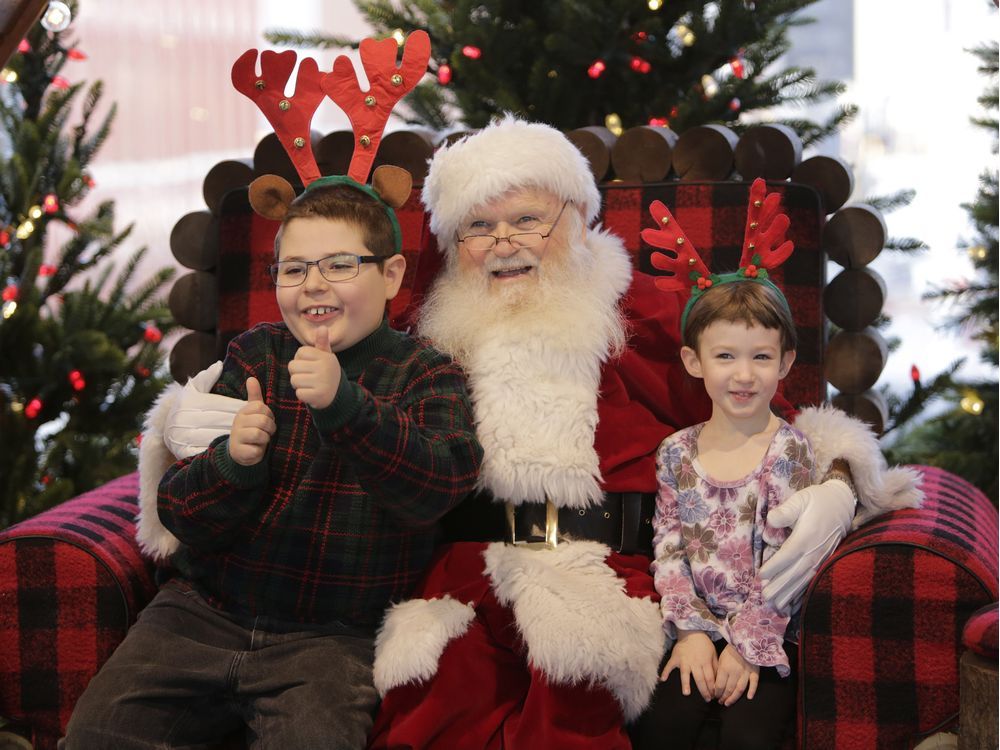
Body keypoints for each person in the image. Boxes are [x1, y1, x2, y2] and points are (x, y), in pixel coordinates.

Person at [152, 116, 923, 748]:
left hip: (605, 569)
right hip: (458, 576)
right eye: (479, 228)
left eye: (527, 219)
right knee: (427, 714)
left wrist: (838, 480)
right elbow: (313, 351)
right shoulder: (425, 332)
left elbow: (757, 405)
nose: (505, 242)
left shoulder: (640, 313)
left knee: (573, 711)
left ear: (577, 220)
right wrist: (181, 427)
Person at [60, 178, 483, 750]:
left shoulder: (425, 373)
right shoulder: (255, 354)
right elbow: (182, 513)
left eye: (338, 265)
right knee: (96, 734)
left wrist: (346, 405)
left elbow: (435, 487)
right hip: (201, 615)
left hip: (330, 641)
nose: (313, 285)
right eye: (293, 269)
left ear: (390, 275)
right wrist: (233, 462)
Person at [630, 195, 814, 749]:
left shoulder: (789, 451)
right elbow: (667, 549)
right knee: (661, 724)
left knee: (747, 735)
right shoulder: (675, 454)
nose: (744, 375)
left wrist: (745, 646)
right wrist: (689, 633)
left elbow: (790, 563)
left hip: (767, 634)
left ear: (784, 363)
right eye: (725, 356)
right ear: (694, 362)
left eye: (761, 357)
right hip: (694, 630)